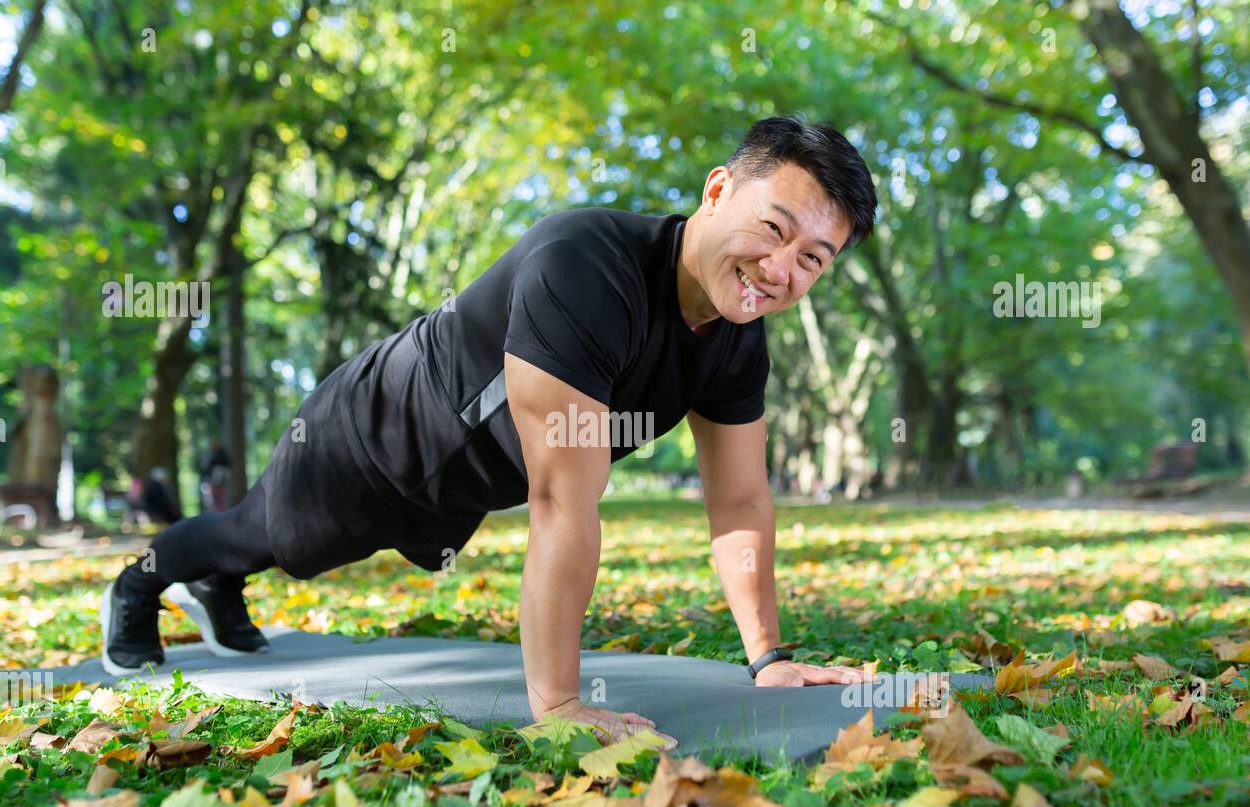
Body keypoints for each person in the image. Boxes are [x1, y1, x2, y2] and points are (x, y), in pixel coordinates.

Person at [99, 116, 880, 748]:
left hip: (463, 480)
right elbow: (563, 500)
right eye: (772, 229)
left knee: (293, 552)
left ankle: (220, 580)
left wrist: (769, 659)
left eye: (813, 258)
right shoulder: (588, 267)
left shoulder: (739, 343)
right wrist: (560, 705)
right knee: (269, 537)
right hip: (372, 431)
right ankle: (142, 581)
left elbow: (739, 503)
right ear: (718, 191)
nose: (781, 269)